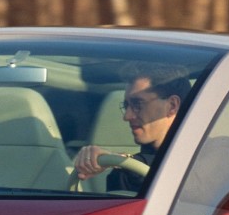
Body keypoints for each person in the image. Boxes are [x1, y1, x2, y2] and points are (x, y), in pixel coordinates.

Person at [73, 63, 191, 192]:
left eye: (137, 104)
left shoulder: (211, 158)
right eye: (126, 105)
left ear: (172, 105)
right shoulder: (125, 175)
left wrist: (119, 161)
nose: (127, 116)